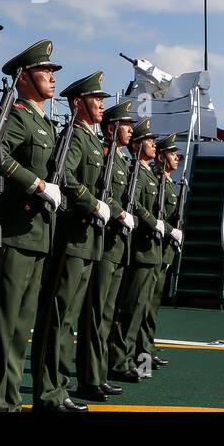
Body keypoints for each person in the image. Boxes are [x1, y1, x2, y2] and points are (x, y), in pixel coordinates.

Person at [0, 39, 63, 412]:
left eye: (54, 72)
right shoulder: (14, 114)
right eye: (44, 71)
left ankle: (9, 398)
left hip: (36, 234)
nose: (52, 77)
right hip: (10, 232)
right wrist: (37, 184)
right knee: (0, 323)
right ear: (23, 77)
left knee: (19, 328)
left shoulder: (45, 123)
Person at [28, 71, 112, 412]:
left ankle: (59, 388)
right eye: (96, 100)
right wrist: (93, 203)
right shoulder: (75, 137)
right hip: (71, 238)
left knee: (68, 319)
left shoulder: (90, 139)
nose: (102, 106)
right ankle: (48, 392)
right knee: (57, 318)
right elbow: (66, 178)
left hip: (87, 240)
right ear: (78, 104)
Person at [76, 100, 137, 400]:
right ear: (112, 128)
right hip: (102, 241)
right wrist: (119, 213)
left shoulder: (121, 160)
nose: (131, 130)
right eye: (126, 125)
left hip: (113, 245)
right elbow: (102, 192)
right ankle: (88, 377)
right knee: (95, 313)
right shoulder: (104, 155)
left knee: (106, 314)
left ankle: (97, 375)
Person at [106, 118, 165, 381]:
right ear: (138, 145)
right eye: (150, 141)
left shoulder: (148, 173)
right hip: (139, 249)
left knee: (142, 309)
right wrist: (155, 223)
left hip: (150, 251)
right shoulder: (136, 171)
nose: (154, 146)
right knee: (128, 310)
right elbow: (135, 205)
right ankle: (120, 361)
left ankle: (132, 359)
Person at [139, 134, 183, 368]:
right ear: (161, 156)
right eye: (172, 153)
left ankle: (147, 350)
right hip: (152, 248)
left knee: (152, 306)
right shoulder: (157, 180)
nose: (176, 157)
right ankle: (142, 357)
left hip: (164, 251)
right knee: (143, 308)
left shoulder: (170, 182)